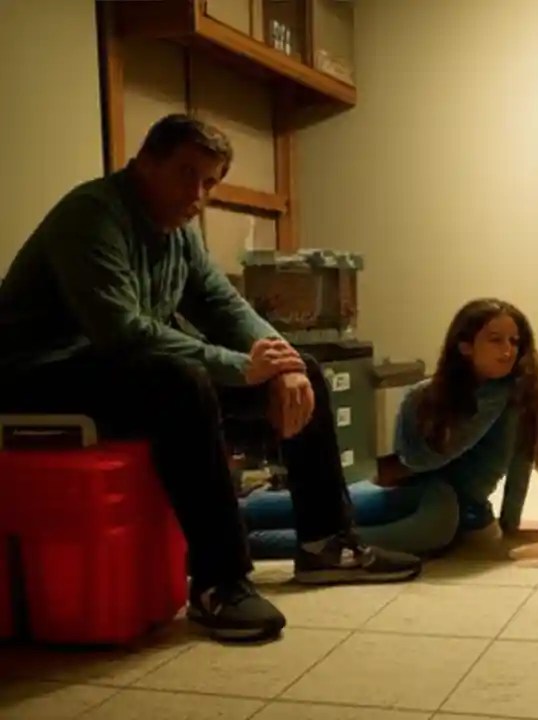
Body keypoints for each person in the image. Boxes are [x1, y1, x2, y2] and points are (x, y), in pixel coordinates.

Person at [0, 114, 421, 643]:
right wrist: (241, 366)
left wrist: (283, 363)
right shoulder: (91, 216)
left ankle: (325, 544)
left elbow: (223, 304)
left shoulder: (180, 231)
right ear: (145, 163)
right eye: (186, 174)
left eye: (210, 183)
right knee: (183, 381)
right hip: (39, 377)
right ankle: (219, 582)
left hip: (124, 370)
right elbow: (121, 331)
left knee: (306, 370)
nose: (198, 195)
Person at [241, 298, 538, 557]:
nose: (509, 351)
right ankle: (239, 518)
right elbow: (417, 463)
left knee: (430, 525)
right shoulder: (423, 396)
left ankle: (259, 542)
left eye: (514, 342)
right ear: (465, 347)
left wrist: (511, 525)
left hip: (463, 508)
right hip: (416, 492)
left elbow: (521, 464)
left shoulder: (520, 395)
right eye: (495, 340)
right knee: (340, 508)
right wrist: (489, 406)